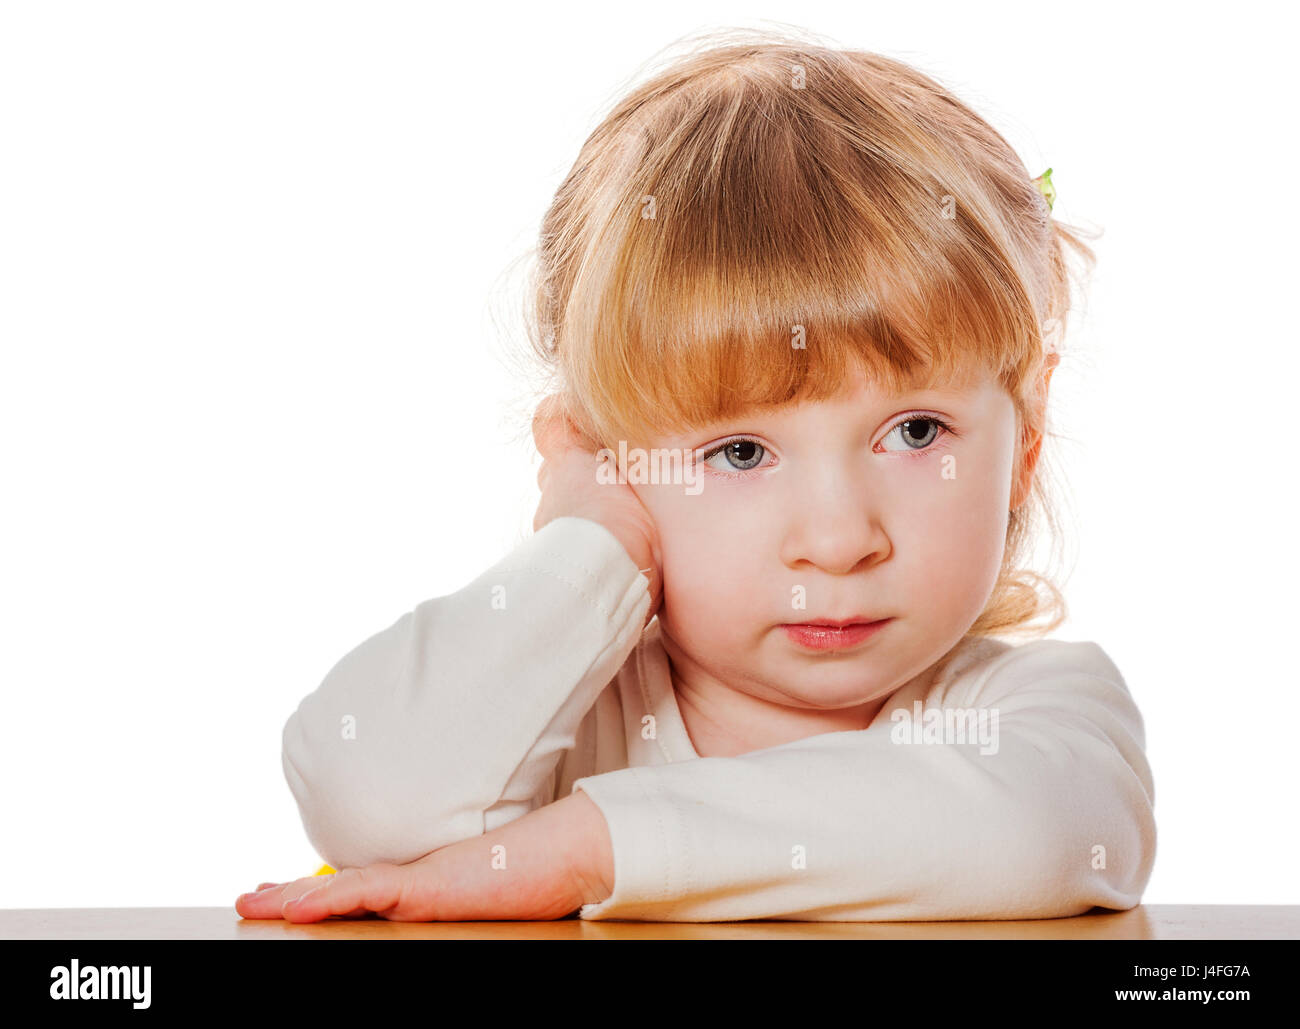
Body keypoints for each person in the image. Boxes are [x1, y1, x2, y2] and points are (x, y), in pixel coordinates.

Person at [235, 28, 1155, 924]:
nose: (837, 540)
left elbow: (1039, 829)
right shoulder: (553, 725)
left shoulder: (1037, 714)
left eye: (916, 431)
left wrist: (591, 847)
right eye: (741, 453)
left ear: (1025, 443)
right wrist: (590, 546)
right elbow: (367, 796)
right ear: (605, 462)